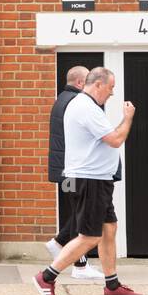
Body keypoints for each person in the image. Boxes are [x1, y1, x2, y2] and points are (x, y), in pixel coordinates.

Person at [32, 67, 144, 295]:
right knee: (89, 236)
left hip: (98, 178)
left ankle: (112, 285)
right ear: (98, 84)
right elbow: (115, 140)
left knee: (108, 229)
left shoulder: (88, 106)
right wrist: (128, 118)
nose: (112, 93)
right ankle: (46, 277)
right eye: (111, 88)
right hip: (89, 179)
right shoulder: (85, 106)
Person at [46, 65, 103, 280]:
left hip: (65, 168)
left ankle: (59, 243)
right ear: (80, 83)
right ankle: (80, 264)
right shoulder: (75, 102)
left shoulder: (62, 99)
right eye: (88, 82)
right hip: (72, 169)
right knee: (81, 213)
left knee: (77, 211)